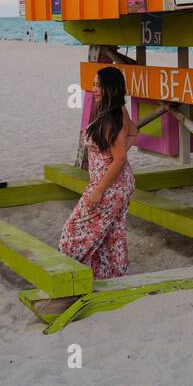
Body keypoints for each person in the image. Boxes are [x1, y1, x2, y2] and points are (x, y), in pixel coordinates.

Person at [59, 66, 137, 279]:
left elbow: (120, 159)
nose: (94, 89)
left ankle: (65, 277)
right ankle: (111, 277)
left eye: (98, 85)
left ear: (110, 88)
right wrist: (111, 156)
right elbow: (133, 132)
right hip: (118, 182)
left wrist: (98, 191)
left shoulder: (111, 118)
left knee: (73, 231)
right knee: (112, 234)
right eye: (93, 84)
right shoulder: (116, 111)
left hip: (109, 185)